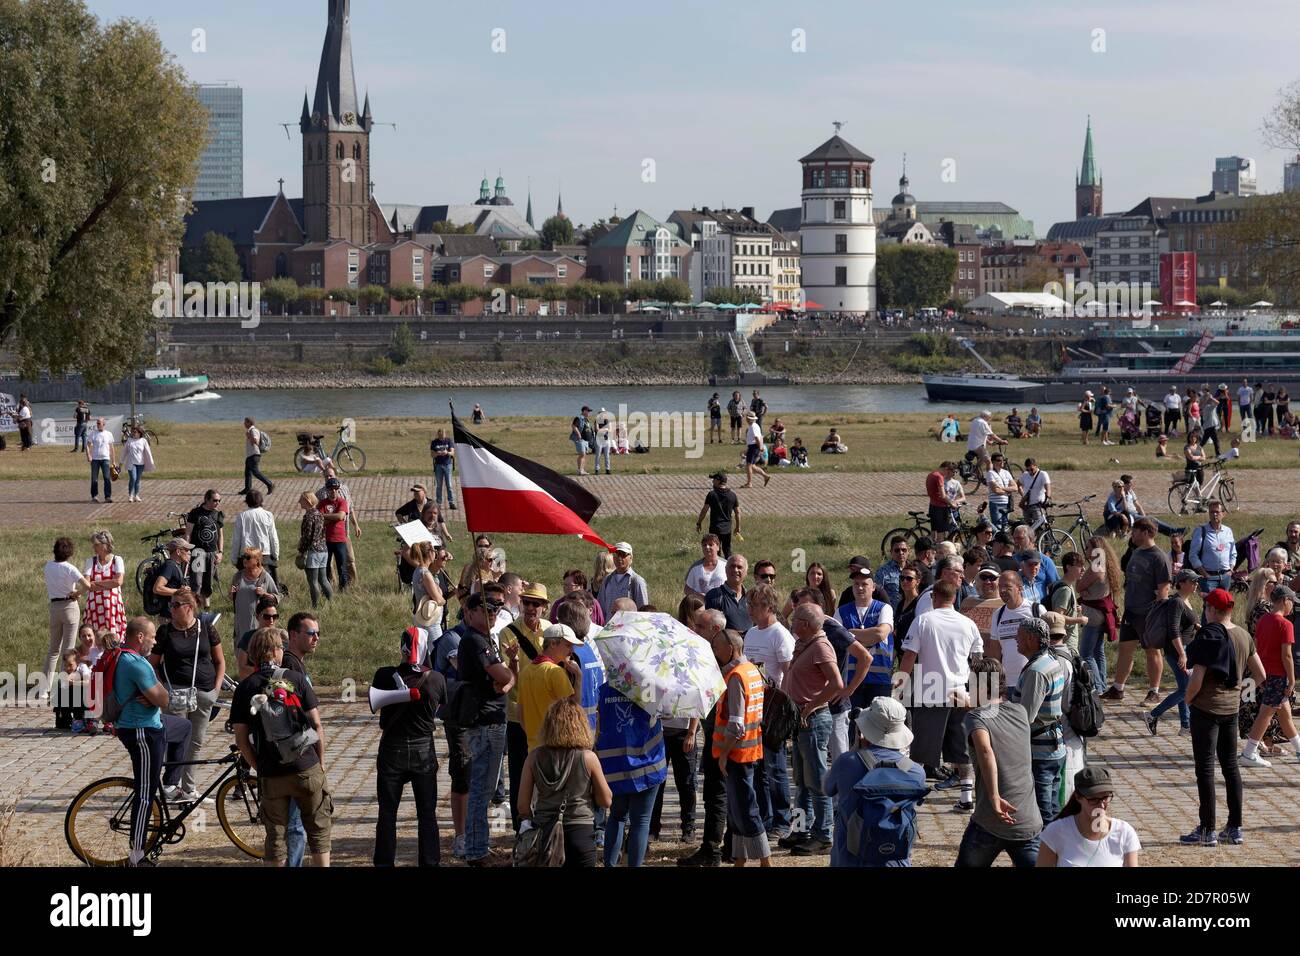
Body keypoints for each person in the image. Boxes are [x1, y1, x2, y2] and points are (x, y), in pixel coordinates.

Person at [231, 627, 331, 866]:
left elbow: (241, 740)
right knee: (319, 833)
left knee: (275, 839)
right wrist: (320, 763)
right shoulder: (296, 679)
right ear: (277, 651)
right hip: (306, 766)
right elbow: (316, 725)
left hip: (272, 773)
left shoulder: (245, 688)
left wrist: (259, 766)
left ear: (253, 655)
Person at [1180, 588, 1265, 846]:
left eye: (1206, 608)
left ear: (1214, 611)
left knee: (1205, 768)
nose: (1205, 613)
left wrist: (1187, 700)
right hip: (1231, 710)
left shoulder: (1208, 636)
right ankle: (1235, 827)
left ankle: (1207, 830)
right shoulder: (1243, 635)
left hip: (1206, 710)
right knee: (1230, 767)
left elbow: (1197, 678)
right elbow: (1260, 675)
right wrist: (1239, 689)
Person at [897, 579, 980, 803]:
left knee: (921, 749)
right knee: (961, 749)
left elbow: (909, 656)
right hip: (961, 692)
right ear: (954, 598)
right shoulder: (968, 624)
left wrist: (898, 685)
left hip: (930, 692)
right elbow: (978, 659)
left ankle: (915, 792)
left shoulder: (923, 620)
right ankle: (966, 797)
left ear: (934, 597)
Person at [956, 656, 1044, 867]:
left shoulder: (975, 718)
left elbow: (986, 750)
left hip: (990, 822)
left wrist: (995, 797)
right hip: (1026, 820)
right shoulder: (1020, 712)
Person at [371, 627, 448, 866]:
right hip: (422, 749)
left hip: (391, 749)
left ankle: (384, 862)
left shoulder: (384, 675)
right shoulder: (436, 679)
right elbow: (442, 704)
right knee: (427, 813)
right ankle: (430, 861)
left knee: (387, 812)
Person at [824, 696, 928, 867]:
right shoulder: (917, 772)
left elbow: (827, 788)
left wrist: (855, 749)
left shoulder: (847, 762)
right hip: (895, 860)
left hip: (849, 860)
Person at [112, 617, 182, 865]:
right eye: (152, 637)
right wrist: (155, 695)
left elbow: (159, 693)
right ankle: (137, 855)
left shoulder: (128, 657)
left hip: (152, 725)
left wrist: (154, 693)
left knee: (184, 727)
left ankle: (171, 784)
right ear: (140, 637)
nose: (155, 641)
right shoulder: (136, 663)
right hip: (140, 730)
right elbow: (164, 699)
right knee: (145, 793)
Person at [456, 591, 516, 865]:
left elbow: (506, 678)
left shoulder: (484, 639)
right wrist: (507, 677)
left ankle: (478, 846)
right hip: (485, 720)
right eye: (486, 609)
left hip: (490, 717)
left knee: (485, 787)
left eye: (496, 610)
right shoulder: (475, 640)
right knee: (482, 789)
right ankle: (476, 851)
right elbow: (503, 676)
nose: (492, 614)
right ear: (470, 613)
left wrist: (507, 676)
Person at [517, 697, 613, 867]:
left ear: (548, 726)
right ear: (581, 725)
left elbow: (523, 806)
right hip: (581, 833)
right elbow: (606, 800)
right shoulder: (588, 758)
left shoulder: (533, 758)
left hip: (545, 834)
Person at [781, 604, 845, 856]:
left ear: (805, 624)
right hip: (800, 721)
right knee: (801, 780)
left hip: (814, 720)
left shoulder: (820, 646)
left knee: (817, 780)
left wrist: (810, 706)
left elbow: (836, 683)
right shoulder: (804, 643)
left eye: (795, 619)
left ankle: (823, 835)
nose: (791, 622)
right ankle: (801, 829)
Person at [151, 589, 225, 801]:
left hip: (203, 693)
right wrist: (161, 689)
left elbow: (219, 661)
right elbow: (153, 664)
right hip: (175, 693)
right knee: (176, 740)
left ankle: (190, 789)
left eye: (175, 605)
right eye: (171, 605)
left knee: (196, 741)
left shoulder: (206, 630)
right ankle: (172, 787)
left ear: (189, 607)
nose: (171, 609)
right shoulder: (165, 631)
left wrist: (216, 689)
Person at [710, 628, 770, 867]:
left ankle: (765, 861)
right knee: (736, 812)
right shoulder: (751, 670)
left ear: (731, 649)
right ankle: (740, 859)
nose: (715, 651)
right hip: (750, 750)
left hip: (737, 754)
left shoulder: (736, 676)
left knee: (746, 810)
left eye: (717, 647)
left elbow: (736, 725)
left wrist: (723, 754)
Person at [596, 672, 668, 867]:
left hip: (614, 767)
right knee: (641, 822)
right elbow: (665, 715)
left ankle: (609, 865)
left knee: (616, 817)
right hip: (647, 766)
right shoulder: (649, 688)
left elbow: (600, 724)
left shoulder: (604, 689)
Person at [743, 583, 795, 840]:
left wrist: (780, 708)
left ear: (768, 606)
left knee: (775, 767)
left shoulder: (780, 635)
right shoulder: (751, 633)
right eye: (749, 605)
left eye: (753, 605)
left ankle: (783, 819)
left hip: (773, 709)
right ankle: (764, 817)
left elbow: (789, 671)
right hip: (753, 708)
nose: (749, 610)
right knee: (758, 767)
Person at [1102, 519, 1172, 704]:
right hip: (1131, 612)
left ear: (1146, 532)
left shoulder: (1159, 557)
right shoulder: (1137, 551)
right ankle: (1118, 688)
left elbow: (1164, 589)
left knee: (1152, 651)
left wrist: (1156, 616)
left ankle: (1154, 691)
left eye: (1135, 531)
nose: (1132, 534)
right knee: (1125, 649)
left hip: (1148, 614)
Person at [1014, 618, 1067, 824]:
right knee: (1053, 808)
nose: (1016, 639)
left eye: (1019, 635)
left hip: (1041, 752)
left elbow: (1025, 717)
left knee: (1044, 813)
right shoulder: (1050, 661)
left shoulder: (1036, 671)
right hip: (1055, 748)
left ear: (1030, 638)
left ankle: (1047, 853)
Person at [1240, 585, 1299, 768]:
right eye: (1292, 602)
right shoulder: (1286, 624)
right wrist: (1291, 680)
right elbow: (1286, 655)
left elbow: (1255, 647)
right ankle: (1249, 753)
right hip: (1278, 675)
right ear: (1284, 601)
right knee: (1265, 714)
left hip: (1264, 674)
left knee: (1285, 714)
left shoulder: (1263, 620)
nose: (1292, 607)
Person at [1037, 767, 1141, 867]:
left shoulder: (1124, 832)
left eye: (1105, 797)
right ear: (1078, 797)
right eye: (1093, 799)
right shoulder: (1055, 832)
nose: (1101, 805)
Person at [1145, 569, 1202, 736]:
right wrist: (1182, 654)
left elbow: (1189, 623)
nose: (1196, 584)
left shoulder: (1187, 601)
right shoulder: (1176, 602)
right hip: (1177, 651)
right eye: (1192, 581)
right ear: (1182, 583)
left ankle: (1186, 726)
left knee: (1184, 687)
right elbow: (1173, 630)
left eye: (1196, 581)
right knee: (1186, 689)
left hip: (1186, 650)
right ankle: (1152, 715)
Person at [519, 623, 583, 752]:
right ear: (553, 644)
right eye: (568, 645)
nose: (571, 651)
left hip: (533, 748)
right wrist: (579, 677)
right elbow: (573, 708)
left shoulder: (525, 671)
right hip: (555, 747)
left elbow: (520, 714)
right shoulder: (555, 671)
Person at [44, 537, 92, 696]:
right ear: (69, 553)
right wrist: (77, 594)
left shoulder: (48, 566)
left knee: (53, 649)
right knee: (68, 649)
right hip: (69, 606)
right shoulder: (69, 568)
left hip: (54, 607)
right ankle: (63, 686)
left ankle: (45, 688)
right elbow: (87, 585)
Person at [1077, 535, 1121, 689]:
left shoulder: (1096, 566)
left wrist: (1081, 582)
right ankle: (1102, 682)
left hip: (1093, 615)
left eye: (1088, 547)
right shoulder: (1107, 565)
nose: (1086, 549)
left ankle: (1098, 685)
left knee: (1086, 653)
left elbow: (1079, 586)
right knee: (1098, 651)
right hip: (1103, 613)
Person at [986, 570, 1040, 687]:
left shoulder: (1036, 610)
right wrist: (996, 685)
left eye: (1007, 586)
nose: (1002, 590)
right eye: (1000, 586)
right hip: (1008, 684)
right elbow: (995, 652)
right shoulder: (998, 615)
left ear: (1020, 588)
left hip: (1032, 682)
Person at [83, 530, 127, 643]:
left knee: (113, 638)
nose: (94, 547)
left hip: (112, 607)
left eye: (96, 545)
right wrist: (109, 584)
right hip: (94, 608)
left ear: (105, 545)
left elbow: (118, 581)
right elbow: (87, 584)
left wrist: (97, 584)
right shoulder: (90, 561)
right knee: (95, 638)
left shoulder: (117, 560)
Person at [1188, 501, 1236, 602]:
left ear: (1223, 513)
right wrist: (1204, 574)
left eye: (1217, 512)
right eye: (1211, 512)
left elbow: (1233, 553)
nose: (1214, 514)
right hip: (1209, 577)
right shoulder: (1201, 531)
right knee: (1210, 607)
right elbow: (1193, 555)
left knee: (1223, 606)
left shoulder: (1228, 531)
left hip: (1225, 577)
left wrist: (1230, 570)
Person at [184, 490, 225, 608]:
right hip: (198, 553)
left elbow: (220, 535)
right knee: (196, 582)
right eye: (215, 500)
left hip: (212, 553)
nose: (217, 503)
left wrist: (220, 552)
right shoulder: (195, 513)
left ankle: (206, 607)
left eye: (219, 501)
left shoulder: (218, 515)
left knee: (208, 583)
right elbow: (188, 533)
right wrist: (186, 550)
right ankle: (194, 607)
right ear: (206, 499)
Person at [230, 490, 280, 584]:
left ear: (247, 501)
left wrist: (234, 559)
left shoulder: (242, 516)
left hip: (246, 557)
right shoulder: (268, 515)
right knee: (265, 586)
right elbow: (273, 537)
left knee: (246, 586)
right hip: (264, 555)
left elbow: (236, 540)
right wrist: (275, 554)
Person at [230, 547, 280, 639]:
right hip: (240, 621)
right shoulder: (238, 576)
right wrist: (232, 593)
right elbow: (232, 597)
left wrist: (264, 593)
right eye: (244, 557)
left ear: (257, 561)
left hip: (258, 622)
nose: (245, 560)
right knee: (241, 648)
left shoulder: (264, 577)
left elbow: (277, 598)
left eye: (248, 557)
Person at [596, 542, 649, 619]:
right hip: (609, 629)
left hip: (628, 628)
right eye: (616, 554)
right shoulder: (607, 580)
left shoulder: (637, 581)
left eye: (623, 554)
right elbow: (600, 608)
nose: (619, 558)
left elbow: (644, 612)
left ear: (631, 557)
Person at [297, 492, 332, 608]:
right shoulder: (319, 514)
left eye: (301, 499)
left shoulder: (309, 516)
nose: (299, 502)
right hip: (323, 550)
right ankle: (331, 603)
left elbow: (307, 537)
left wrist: (301, 550)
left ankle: (315, 606)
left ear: (308, 501)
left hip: (312, 552)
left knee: (313, 582)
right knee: (324, 580)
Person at [1049, 551, 1088, 654]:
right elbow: (1057, 617)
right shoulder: (1065, 590)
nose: (1083, 569)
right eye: (1079, 566)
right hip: (1067, 642)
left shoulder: (1061, 584)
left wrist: (1074, 608)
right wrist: (1079, 619)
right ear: (1069, 567)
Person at [696, 471, 741, 558]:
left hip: (715, 528)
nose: (712, 482)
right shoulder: (732, 495)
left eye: (714, 480)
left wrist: (699, 522)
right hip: (727, 529)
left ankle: (717, 569)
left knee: (716, 552)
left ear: (718, 481)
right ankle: (728, 569)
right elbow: (737, 512)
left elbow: (704, 510)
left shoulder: (712, 494)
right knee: (727, 551)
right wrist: (738, 526)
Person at [318, 478, 351, 591]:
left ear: (338, 490)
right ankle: (326, 589)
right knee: (325, 567)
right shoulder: (322, 503)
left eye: (335, 489)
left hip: (340, 539)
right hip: (325, 539)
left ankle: (343, 589)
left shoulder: (342, 502)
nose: (333, 491)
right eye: (331, 489)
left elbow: (341, 516)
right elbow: (319, 519)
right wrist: (334, 517)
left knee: (342, 566)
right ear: (327, 490)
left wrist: (325, 516)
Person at [926, 461, 959, 542]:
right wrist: (952, 504)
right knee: (941, 534)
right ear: (946, 469)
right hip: (940, 508)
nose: (946, 475)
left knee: (934, 533)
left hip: (932, 505)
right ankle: (940, 553)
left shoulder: (931, 474)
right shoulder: (939, 477)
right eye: (949, 472)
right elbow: (943, 495)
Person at [121, 425, 155, 502]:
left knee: (137, 480)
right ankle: (130, 495)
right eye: (133, 432)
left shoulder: (143, 441)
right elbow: (124, 452)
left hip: (140, 464)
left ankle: (136, 495)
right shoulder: (129, 440)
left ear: (139, 433)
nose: (133, 433)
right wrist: (121, 462)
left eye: (135, 432)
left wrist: (151, 462)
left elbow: (148, 452)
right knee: (133, 478)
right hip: (131, 463)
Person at [85, 417, 116, 503]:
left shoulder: (109, 434)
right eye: (97, 423)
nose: (98, 425)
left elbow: (111, 448)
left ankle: (108, 497)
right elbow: (87, 445)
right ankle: (94, 496)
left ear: (104, 424)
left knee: (107, 478)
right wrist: (88, 455)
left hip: (105, 459)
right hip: (95, 459)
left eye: (99, 423)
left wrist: (113, 461)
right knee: (94, 478)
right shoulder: (93, 434)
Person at [240, 417, 274, 495]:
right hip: (250, 455)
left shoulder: (253, 430)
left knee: (256, 472)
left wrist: (249, 436)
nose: (244, 424)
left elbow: (256, 441)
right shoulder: (250, 430)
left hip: (254, 455)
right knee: (247, 473)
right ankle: (247, 489)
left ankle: (269, 484)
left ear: (249, 423)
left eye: (245, 422)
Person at [985, 452, 1017, 531]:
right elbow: (995, 490)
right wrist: (1008, 490)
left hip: (1006, 503)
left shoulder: (1006, 472)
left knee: (1005, 527)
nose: (1002, 462)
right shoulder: (990, 473)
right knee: (997, 527)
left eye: (1003, 460)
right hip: (996, 504)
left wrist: (1002, 488)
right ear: (993, 462)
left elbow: (1015, 488)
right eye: (999, 460)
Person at [1018, 457, 1051, 532]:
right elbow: (1018, 485)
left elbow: (1048, 488)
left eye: (1031, 469)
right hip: (1026, 506)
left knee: (1039, 527)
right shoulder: (1025, 475)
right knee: (1028, 528)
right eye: (1027, 470)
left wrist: (1047, 499)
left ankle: (1041, 542)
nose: (1030, 472)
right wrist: (1023, 496)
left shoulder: (1043, 474)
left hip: (1038, 506)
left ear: (1036, 466)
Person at [742, 410, 771, 487]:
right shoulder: (756, 425)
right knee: (752, 466)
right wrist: (760, 447)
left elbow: (757, 438)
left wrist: (760, 447)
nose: (746, 419)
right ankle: (765, 476)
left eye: (747, 418)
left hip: (753, 447)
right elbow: (761, 436)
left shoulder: (753, 427)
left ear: (749, 419)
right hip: (753, 447)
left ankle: (749, 483)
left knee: (748, 465)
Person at [430, 428, 457, 509]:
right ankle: (438, 502)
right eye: (441, 434)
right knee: (439, 485)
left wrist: (447, 453)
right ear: (438, 434)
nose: (442, 436)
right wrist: (437, 453)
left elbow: (452, 453)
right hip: (438, 465)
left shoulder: (449, 441)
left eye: (443, 434)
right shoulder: (434, 442)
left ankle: (451, 502)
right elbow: (432, 455)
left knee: (449, 485)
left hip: (447, 465)